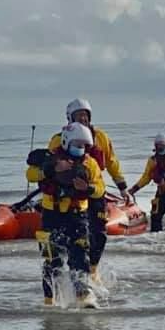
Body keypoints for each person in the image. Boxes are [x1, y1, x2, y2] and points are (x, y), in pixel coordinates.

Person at [47, 98, 129, 283]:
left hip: (93, 190)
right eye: (79, 115)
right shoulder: (58, 140)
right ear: (70, 118)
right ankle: (69, 271)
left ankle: (92, 268)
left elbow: (111, 162)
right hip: (70, 195)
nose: (83, 119)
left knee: (99, 233)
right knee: (72, 237)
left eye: (85, 115)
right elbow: (48, 164)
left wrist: (122, 187)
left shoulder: (101, 138)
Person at [26, 122, 105, 308]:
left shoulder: (89, 164)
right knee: (51, 260)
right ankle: (49, 301)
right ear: (66, 142)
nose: (81, 148)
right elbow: (30, 174)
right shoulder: (50, 159)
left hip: (77, 216)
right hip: (51, 215)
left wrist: (88, 188)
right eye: (77, 144)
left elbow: (100, 189)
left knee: (80, 256)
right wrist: (51, 169)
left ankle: (83, 296)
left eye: (84, 145)